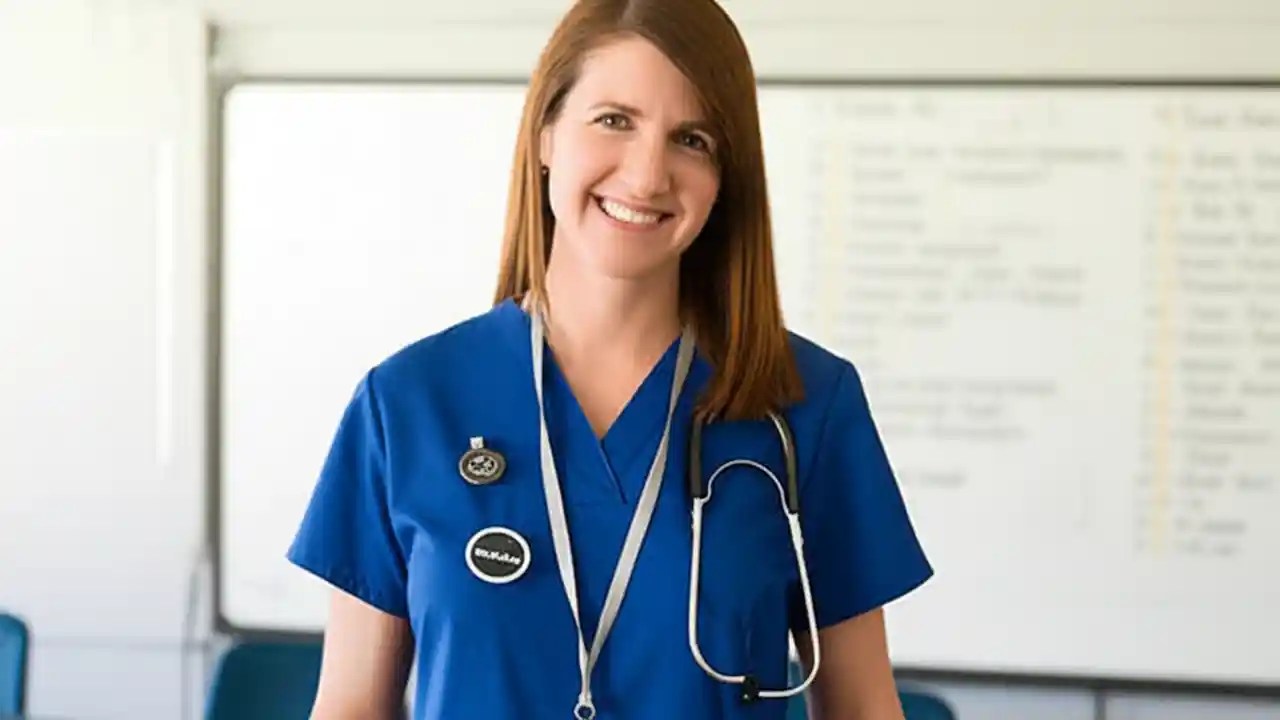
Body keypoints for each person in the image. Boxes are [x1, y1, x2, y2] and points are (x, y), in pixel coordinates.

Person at [286, 0, 933, 718]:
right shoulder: (407, 405)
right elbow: (350, 705)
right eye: (615, 120)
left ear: (726, 178)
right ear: (545, 135)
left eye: (693, 139)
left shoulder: (806, 405)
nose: (649, 174)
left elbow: (865, 708)